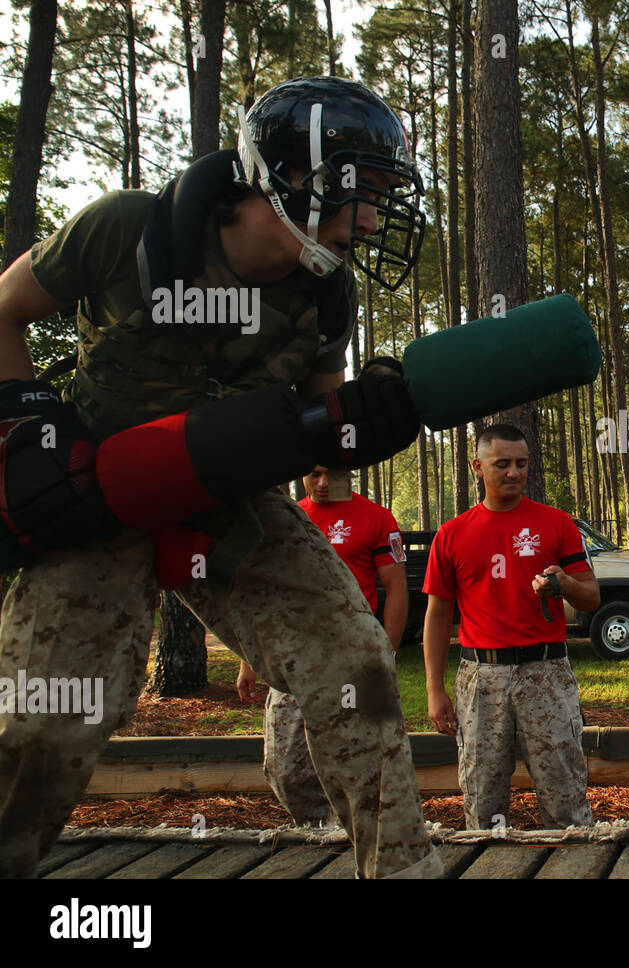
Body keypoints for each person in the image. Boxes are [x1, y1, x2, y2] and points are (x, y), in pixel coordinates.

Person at [0, 76, 441, 878]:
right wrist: (23, 426)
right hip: (97, 494)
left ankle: (402, 872)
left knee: (360, 667)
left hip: (232, 503)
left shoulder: (327, 293)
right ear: (292, 173)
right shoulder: (122, 228)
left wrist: (367, 421)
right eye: (361, 193)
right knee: (46, 717)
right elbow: (3, 309)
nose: (374, 219)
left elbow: (317, 433)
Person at [422, 424, 600, 830]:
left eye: (521, 463)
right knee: (483, 798)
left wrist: (565, 584)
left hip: (546, 672)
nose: (514, 473)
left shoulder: (556, 524)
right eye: (501, 464)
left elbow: (591, 598)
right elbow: (437, 615)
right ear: (478, 467)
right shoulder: (452, 534)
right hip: (481, 677)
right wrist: (435, 688)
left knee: (564, 794)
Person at [236, 466, 408, 826]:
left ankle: (358, 839)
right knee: (283, 767)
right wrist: (248, 661)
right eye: (314, 474)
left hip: (352, 659)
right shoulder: (287, 519)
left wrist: (386, 653)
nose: (324, 483)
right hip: (293, 661)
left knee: (358, 762)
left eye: (333, 473)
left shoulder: (375, 518)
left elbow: (395, 589)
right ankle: (322, 832)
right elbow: (264, 594)